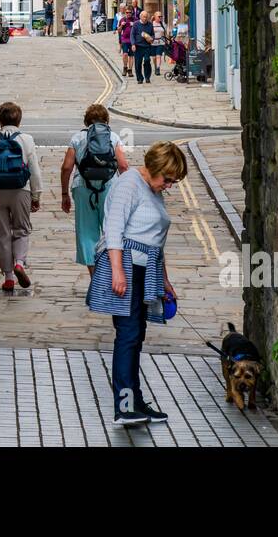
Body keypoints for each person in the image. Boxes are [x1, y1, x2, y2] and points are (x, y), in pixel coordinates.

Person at [87, 141, 188, 424]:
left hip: (145, 269)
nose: (169, 185)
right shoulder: (129, 184)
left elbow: (155, 238)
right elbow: (114, 229)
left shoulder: (151, 189)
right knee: (128, 335)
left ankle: (136, 402)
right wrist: (118, 271)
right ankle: (125, 406)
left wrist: (165, 279)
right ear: (155, 168)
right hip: (128, 268)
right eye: (167, 179)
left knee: (136, 335)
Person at [0, 101, 44, 291]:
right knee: (22, 229)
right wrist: (36, 195)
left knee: (0, 233)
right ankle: (20, 264)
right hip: (20, 190)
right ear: (19, 120)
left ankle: (8, 277)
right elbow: (34, 169)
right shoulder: (26, 139)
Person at [60, 104, 130, 268]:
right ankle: (109, 273)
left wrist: (64, 193)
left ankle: (95, 278)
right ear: (106, 120)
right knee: (110, 231)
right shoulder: (112, 137)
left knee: (86, 233)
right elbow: (123, 166)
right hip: (109, 187)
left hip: (83, 187)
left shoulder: (77, 138)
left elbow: (66, 167)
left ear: (86, 121)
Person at [131, 10, 154, 84]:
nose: (145, 18)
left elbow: (153, 35)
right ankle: (140, 78)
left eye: (146, 17)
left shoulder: (150, 24)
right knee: (138, 63)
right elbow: (132, 35)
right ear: (140, 17)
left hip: (147, 46)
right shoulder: (136, 24)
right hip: (138, 46)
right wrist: (133, 44)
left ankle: (147, 77)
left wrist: (151, 38)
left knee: (147, 61)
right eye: (144, 17)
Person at [117, 8, 135, 76]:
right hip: (124, 39)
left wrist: (133, 24)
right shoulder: (122, 19)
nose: (128, 14)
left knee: (131, 56)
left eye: (129, 12)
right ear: (125, 13)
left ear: (132, 13)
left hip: (132, 40)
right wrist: (121, 25)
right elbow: (118, 31)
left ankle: (130, 70)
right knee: (125, 54)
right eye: (127, 12)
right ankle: (125, 67)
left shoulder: (135, 20)